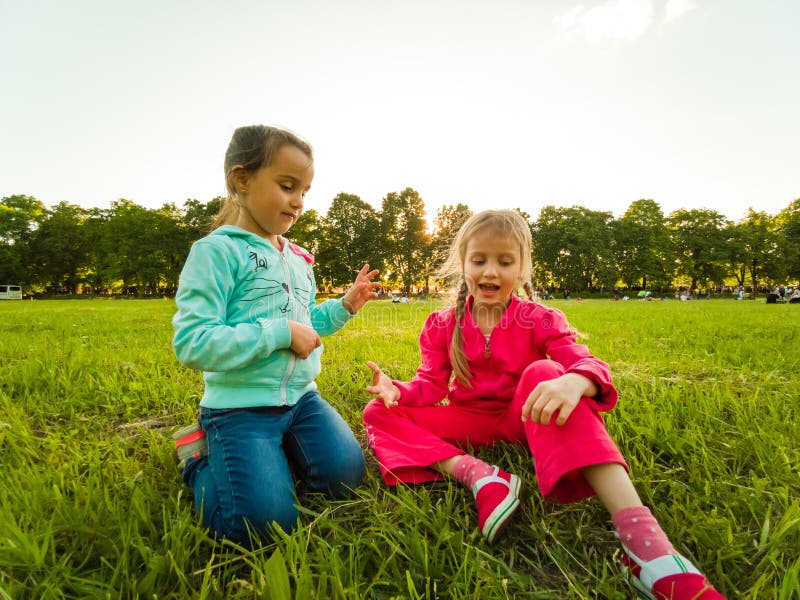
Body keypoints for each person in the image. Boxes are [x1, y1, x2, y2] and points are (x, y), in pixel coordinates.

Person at [362, 210, 724, 599]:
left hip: (528, 417)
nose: (490, 271)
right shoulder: (441, 324)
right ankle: (482, 477)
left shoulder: (541, 319)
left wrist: (575, 380)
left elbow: (585, 362)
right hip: (472, 421)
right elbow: (430, 385)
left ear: (522, 269)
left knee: (546, 371)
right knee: (377, 413)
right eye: (479, 260)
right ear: (463, 263)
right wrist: (397, 391)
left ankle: (645, 544)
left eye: (505, 261)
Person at [172, 124, 381, 544]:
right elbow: (193, 342)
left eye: (305, 190)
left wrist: (343, 306)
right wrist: (278, 331)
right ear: (241, 179)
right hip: (240, 410)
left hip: (302, 401)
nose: (299, 201)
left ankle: (274, 456)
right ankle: (197, 457)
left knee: (346, 475)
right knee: (262, 526)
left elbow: (306, 326)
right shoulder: (216, 252)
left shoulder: (298, 258)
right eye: (288, 186)